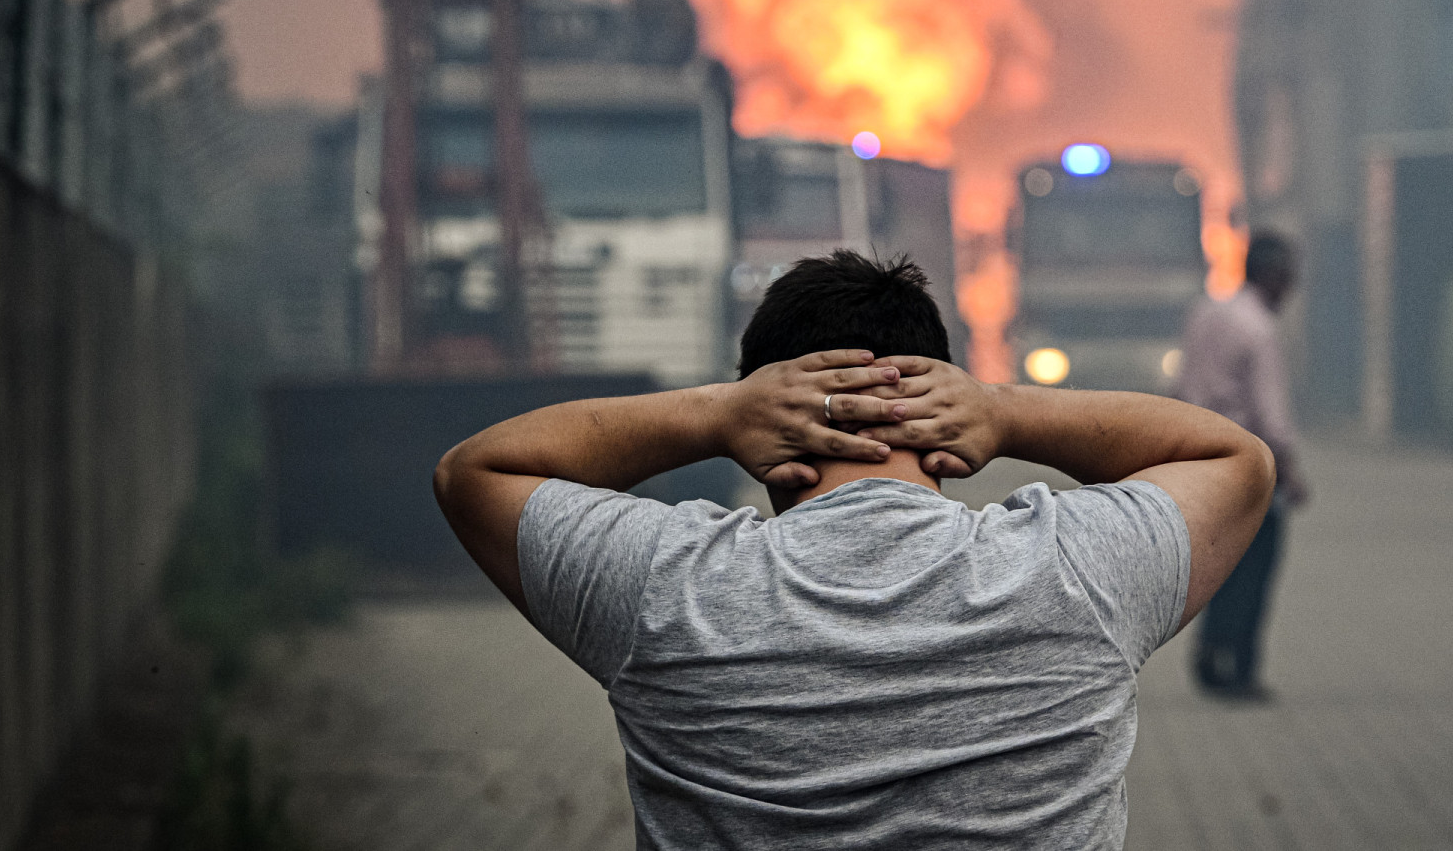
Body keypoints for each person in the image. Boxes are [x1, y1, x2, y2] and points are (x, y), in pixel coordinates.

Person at [434, 250, 1273, 849]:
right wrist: (1008, 410)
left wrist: (716, 414)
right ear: (941, 406)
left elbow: (474, 471)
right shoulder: (1074, 568)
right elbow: (1236, 459)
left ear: (765, 428)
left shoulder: (666, 585)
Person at [1175, 229, 1308, 702]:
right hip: (1251, 465)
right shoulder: (1259, 329)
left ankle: (1210, 654)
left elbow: (1182, 385)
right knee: (1256, 568)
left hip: (1202, 457)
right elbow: (1270, 415)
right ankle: (1240, 668)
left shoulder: (1205, 314)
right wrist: (1289, 471)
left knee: (1220, 562)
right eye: (1289, 278)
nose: (1291, 289)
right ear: (1271, 277)